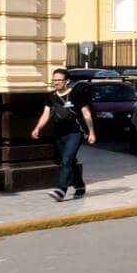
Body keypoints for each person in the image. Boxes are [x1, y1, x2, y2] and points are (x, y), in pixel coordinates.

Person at [31, 68, 94, 201]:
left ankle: (61, 189)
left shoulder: (76, 95)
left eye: (59, 80)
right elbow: (46, 114)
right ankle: (80, 186)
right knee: (69, 161)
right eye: (54, 80)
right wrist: (38, 128)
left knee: (66, 160)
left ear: (67, 81)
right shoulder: (51, 96)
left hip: (75, 133)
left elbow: (86, 113)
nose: (56, 82)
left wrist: (91, 132)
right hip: (59, 134)